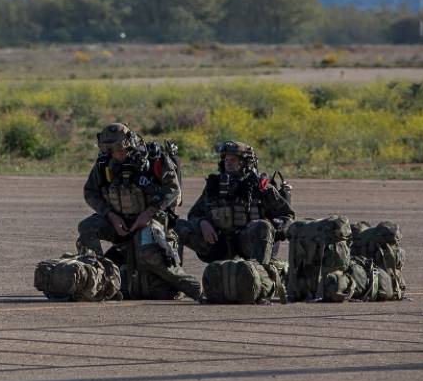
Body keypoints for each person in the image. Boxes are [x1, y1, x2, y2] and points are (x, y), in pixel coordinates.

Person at [77, 123, 201, 300]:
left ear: (129, 142)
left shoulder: (154, 160)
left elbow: (173, 189)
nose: (116, 154)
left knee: (147, 252)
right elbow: (90, 192)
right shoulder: (105, 163)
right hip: (119, 223)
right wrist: (110, 215)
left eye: (118, 149)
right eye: (110, 150)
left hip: (151, 222)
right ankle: (102, 282)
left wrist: (149, 212)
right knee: (87, 227)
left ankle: (191, 287)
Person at [176, 141, 295, 265]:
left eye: (233, 159)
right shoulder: (214, 185)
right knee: (176, 226)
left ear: (245, 163)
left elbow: (287, 216)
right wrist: (202, 222)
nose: (228, 163)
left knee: (263, 227)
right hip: (218, 244)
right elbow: (194, 214)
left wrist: (271, 228)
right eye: (226, 159)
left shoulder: (261, 186)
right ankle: (175, 275)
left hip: (247, 244)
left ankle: (261, 274)